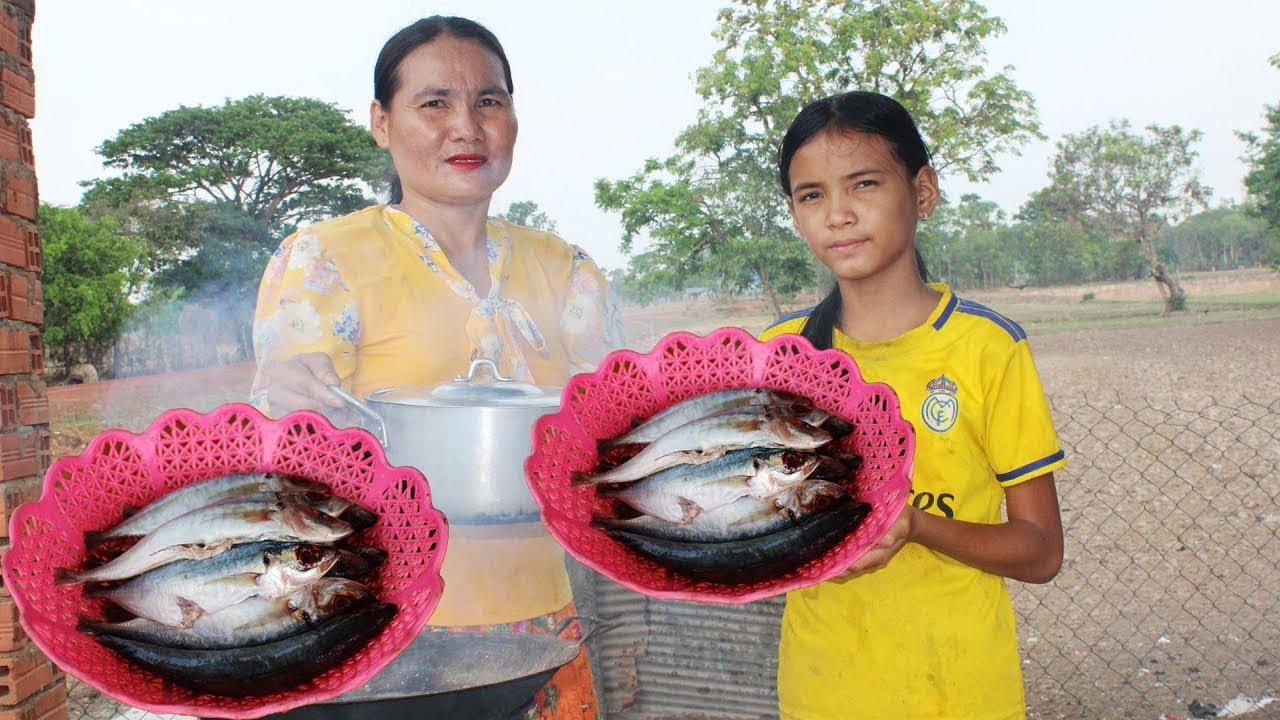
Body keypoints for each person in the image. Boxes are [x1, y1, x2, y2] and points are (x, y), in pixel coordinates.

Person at [250, 16, 622, 719]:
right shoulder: (325, 260)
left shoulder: (567, 270)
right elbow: (286, 470)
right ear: (381, 123)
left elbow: (615, 435)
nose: (467, 127)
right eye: (434, 103)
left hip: (549, 625)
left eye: (489, 100)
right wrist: (295, 413)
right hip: (389, 639)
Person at [759, 90, 1065, 719]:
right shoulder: (777, 354)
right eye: (811, 195)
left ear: (922, 192)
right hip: (822, 690)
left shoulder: (987, 348)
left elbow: (1041, 551)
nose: (837, 214)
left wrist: (916, 526)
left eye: (863, 184)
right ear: (794, 214)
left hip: (961, 690)